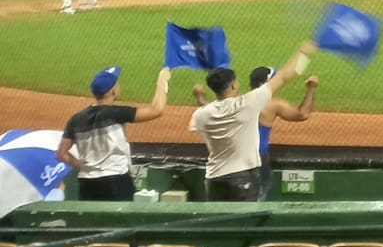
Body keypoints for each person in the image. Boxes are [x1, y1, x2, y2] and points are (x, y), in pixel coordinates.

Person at [189, 42, 317, 202]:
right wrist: (304, 56)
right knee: (251, 214)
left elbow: (209, 108)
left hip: (214, 177)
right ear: (234, 84)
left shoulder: (201, 115)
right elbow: (287, 79)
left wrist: (199, 96)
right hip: (246, 171)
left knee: (219, 221)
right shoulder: (250, 104)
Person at [57, 65, 172, 201]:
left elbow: (61, 154)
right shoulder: (114, 113)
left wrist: (84, 166)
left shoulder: (75, 119)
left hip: (86, 183)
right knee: (118, 221)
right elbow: (157, 110)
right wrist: (162, 80)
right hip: (115, 181)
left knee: (92, 221)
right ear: (113, 91)